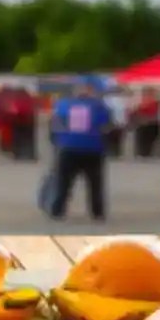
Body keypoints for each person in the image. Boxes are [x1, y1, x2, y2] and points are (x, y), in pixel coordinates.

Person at [48, 81, 112, 220]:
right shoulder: (99, 106)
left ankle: (57, 210)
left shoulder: (63, 104)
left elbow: (55, 124)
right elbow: (106, 126)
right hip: (93, 148)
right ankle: (97, 212)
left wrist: (57, 142)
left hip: (69, 146)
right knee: (95, 183)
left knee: (64, 182)